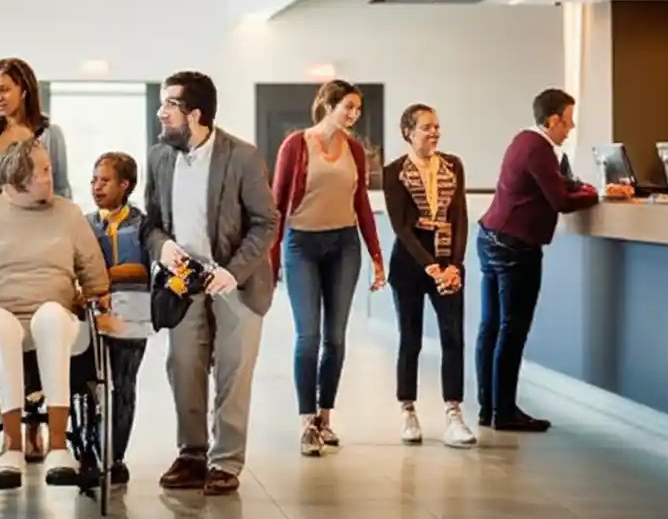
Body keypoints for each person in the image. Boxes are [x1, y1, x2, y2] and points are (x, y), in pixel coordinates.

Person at [142, 71, 278, 496]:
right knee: (183, 366)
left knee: (234, 373)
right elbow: (151, 223)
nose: (161, 112)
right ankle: (191, 455)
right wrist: (162, 246)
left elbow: (266, 222)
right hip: (184, 283)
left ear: (195, 114)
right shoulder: (159, 158)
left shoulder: (242, 156)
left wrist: (232, 272)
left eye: (170, 105)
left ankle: (225, 461)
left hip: (236, 280)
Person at [0, 138, 110, 484]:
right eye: (45, 171)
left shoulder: (68, 214)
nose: (53, 176)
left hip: (59, 322)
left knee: (50, 317)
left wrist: (96, 296)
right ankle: (12, 447)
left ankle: (58, 447)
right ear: (19, 181)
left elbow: (94, 275)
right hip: (0, 320)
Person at [270, 80, 384, 455]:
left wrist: (376, 256)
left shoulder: (355, 149)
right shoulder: (296, 144)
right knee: (309, 336)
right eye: (348, 106)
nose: (354, 114)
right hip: (301, 244)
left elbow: (361, 202)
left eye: (358, 109)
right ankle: (306, 423)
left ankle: (324, 418)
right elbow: (277, 205)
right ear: (328, 105)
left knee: (335, 337)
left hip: (344, 245)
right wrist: (271, 264)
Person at [476, 89, 599, 432]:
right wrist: (596, 194)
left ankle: (489, 408)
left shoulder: (523, 141)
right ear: (553, 119)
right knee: (512, 329)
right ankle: (504, 412)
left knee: (491, 327)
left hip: (491, 238)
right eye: (568, 120)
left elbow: (554, 187)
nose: (571, 128)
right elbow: (560, 200)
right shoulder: (539, 148)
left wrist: (580, 189)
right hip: (515, 247)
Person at [382, 104, 475, 448]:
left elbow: (460, 216)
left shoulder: (453, 165)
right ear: (409, 132)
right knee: (411, 339)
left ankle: (454, 413)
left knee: (453, 337)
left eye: (436, 126)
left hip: (448, 261)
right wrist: (429, 265)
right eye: (426, 127)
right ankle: (408, 410)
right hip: (410, 265)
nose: (434, 132)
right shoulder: (394, 172)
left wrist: (454, 266)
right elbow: (401, 227)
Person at [87, 152, 151, 485]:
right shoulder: (85, 224)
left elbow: (148, 270)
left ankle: (115, 457)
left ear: (124, 185)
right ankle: (90, 451)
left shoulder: (143, 226)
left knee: (124, 386)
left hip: (132, 318)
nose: (96, 187)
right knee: (91, 386)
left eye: (105, 180)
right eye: (94, 180)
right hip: (92, 319)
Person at [0, 57, 71, 199]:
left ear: (24, 91)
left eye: (4, 90)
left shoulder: (50, 134)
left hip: (38, 212)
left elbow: (61, 190)